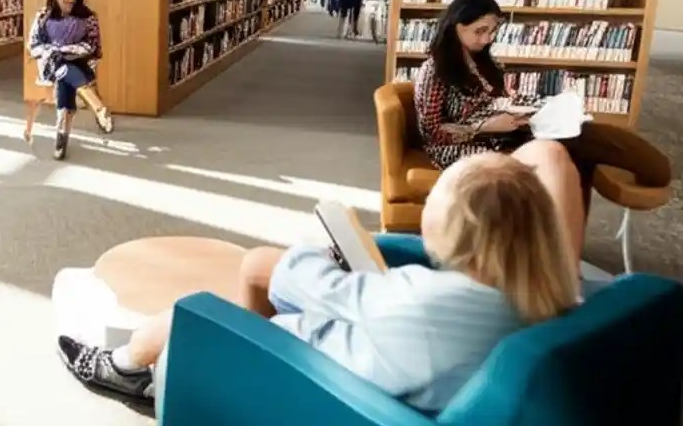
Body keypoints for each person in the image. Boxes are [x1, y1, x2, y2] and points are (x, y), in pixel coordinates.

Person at [57, 152, 579, 412]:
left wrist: (319, 252)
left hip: (326, 384)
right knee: (269, 299)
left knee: (196, 307)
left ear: (459, 234)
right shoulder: (551, 292)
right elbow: (551, 159)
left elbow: (273, 268)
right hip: (401, 368)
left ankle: (124, 366)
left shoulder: (416, 300)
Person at [412, 0, 672, 274]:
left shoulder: (487, 63)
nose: (487, 39)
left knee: (575, 141)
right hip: (461, 147)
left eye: (492, 31)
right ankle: (651, 169)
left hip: (505, 130)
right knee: (572, 145)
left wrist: (525, 109)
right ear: (455, 26)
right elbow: (431, 131)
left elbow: (499, 100)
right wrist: (482, 126)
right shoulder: (434, 70)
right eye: (480, 31)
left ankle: (563, 251)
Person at [28, 0, 113, 160]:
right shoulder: (43, 16)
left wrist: (66, 50)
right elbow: (33, 45)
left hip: (81, 62)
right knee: (61, 64)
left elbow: (93, 46)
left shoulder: (88, 17)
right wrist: (52, 51)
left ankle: (61, 134)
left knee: (65, 72)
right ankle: (97, 106)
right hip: (51, 64)